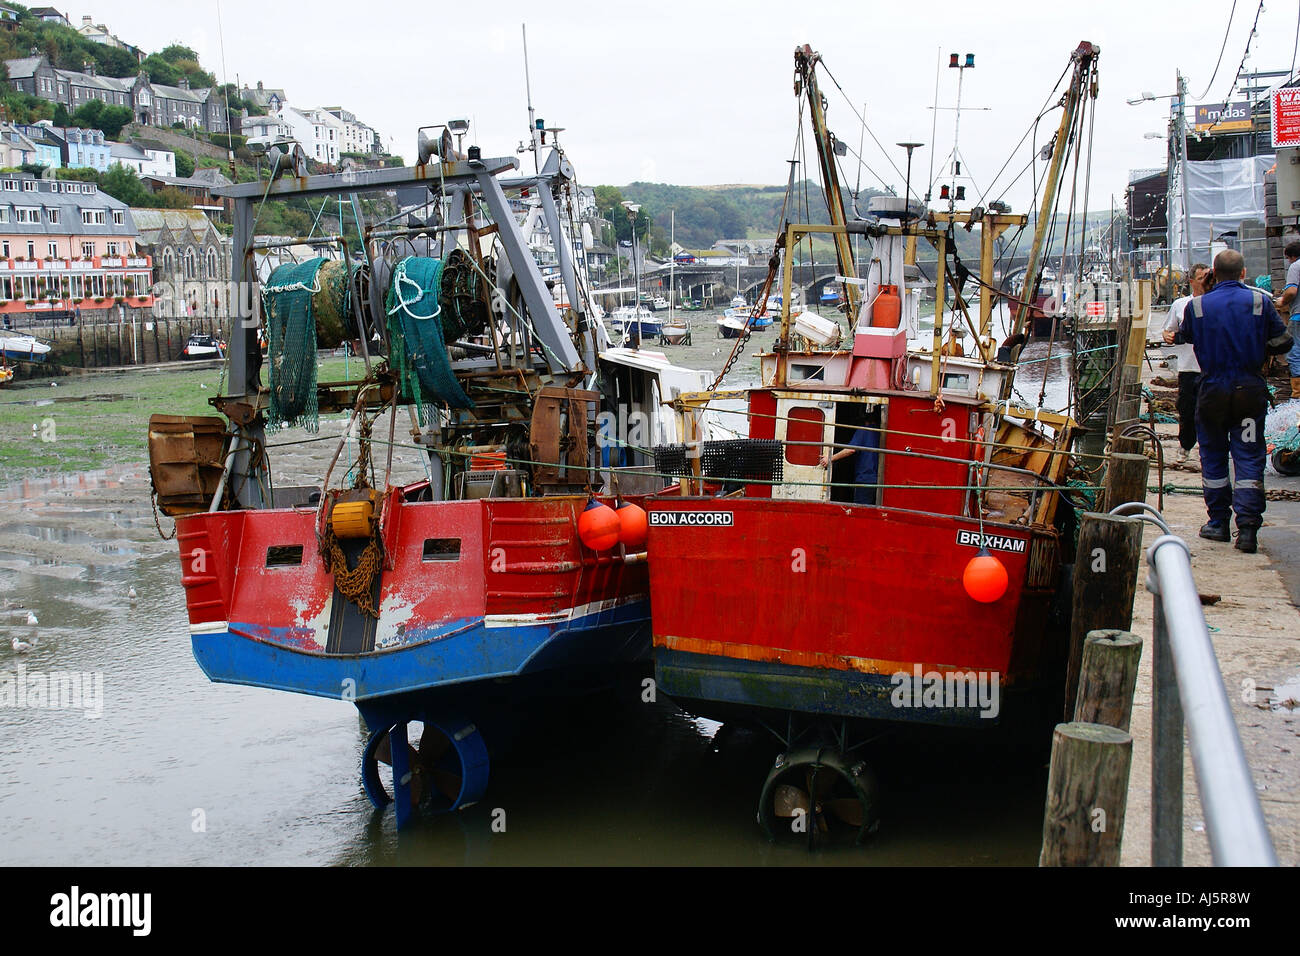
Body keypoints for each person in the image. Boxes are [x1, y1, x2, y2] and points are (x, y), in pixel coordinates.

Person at [1181, 249, 1289, 553]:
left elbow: (1186, 336)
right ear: (1243, 274)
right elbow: (1284, 341)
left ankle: (1217, 523)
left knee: (1213, 455)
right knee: (1249, 455)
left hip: (1212, 393)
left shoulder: (1197, 306)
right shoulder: (1259, 302)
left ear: (1214, 273)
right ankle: (1248, 530)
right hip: (1248, 394)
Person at [1162, 262, 1210, 464]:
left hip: (1212, 368)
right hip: (1189, 367)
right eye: (1202, 279)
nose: (1207, 282)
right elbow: (1167, 330)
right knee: (1187, 410)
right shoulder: (1181, 305)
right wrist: (1169, 337)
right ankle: (1186, 445)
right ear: (1191, 282)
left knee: (1211, 411)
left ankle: (1209, 449)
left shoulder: (1216, 302)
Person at [820, 414, 880, 505]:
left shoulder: (863, 431)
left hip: (865, 478)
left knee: (860, 510)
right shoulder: (880, 432)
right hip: (877, 479)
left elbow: (851, 450)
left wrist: (830, 458)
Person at [1274, 240, 1300, 398]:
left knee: (1295, 351)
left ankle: (1298, 394)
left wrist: (1282, 301)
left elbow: (1291, 291)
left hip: (1298, 316)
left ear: (1292, 256)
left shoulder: (1295, 266)